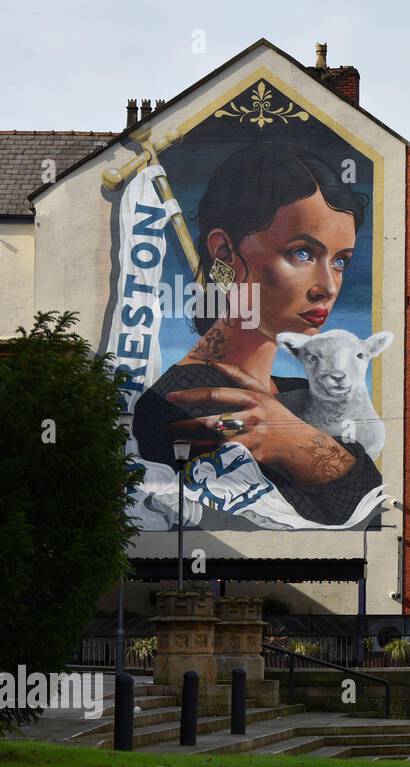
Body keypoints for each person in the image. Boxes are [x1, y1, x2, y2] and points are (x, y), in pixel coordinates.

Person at [132, 143, 381, 527]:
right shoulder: (179, 403)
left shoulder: (299, 390)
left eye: (340, 261)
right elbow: (300, 518)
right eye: (302, 253)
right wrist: (300, 447)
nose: (327, 287)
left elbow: (371, 501)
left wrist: (295, 441)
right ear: (225, 252)